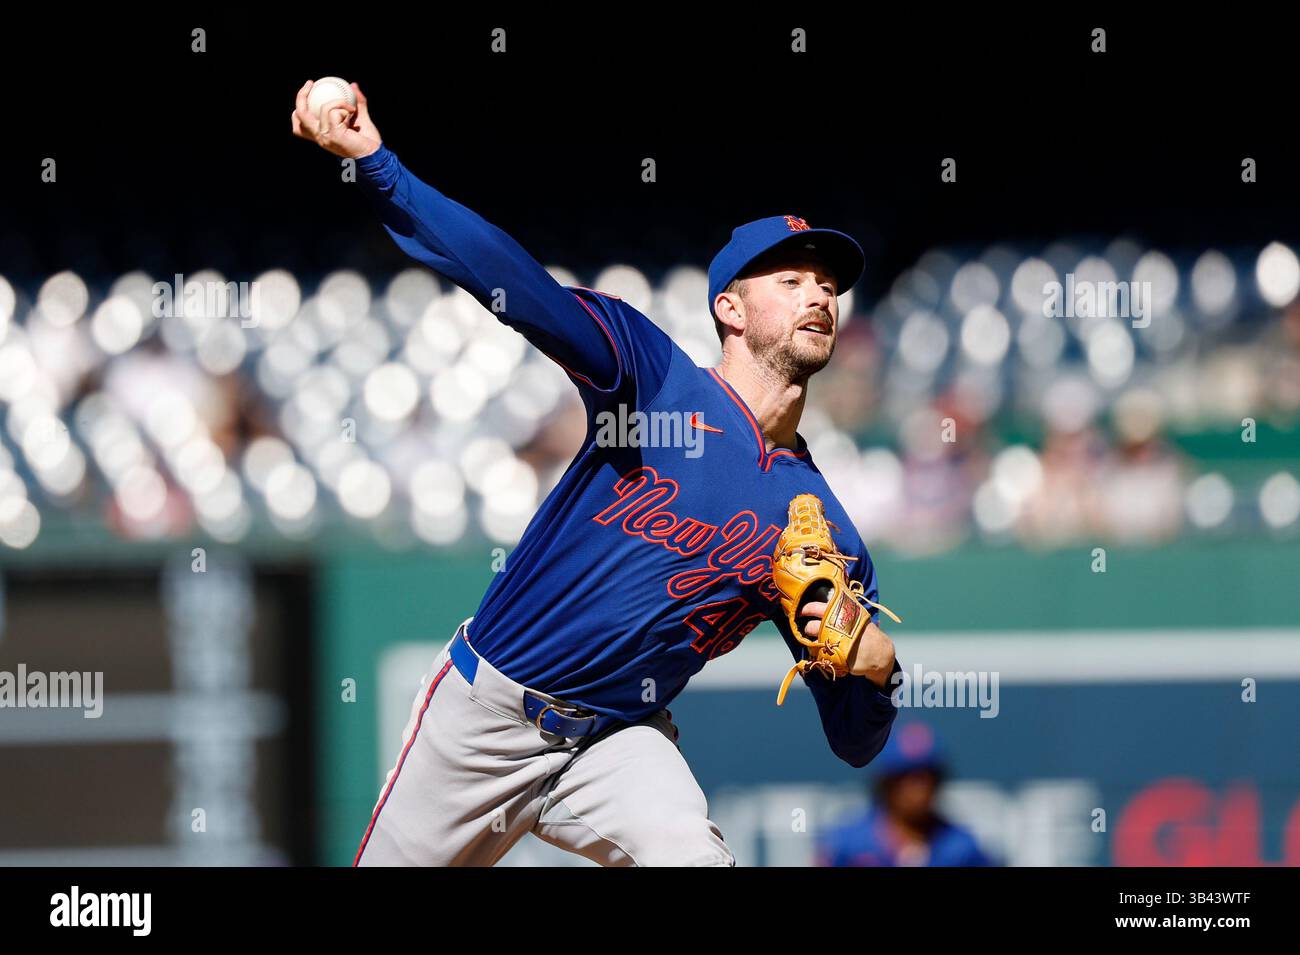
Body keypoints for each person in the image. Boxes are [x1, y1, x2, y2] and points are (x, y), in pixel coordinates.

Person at [293, 80, 902, 867]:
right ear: (731, 309)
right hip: (483, 718)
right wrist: (379, 165)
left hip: (618, 740)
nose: (818, 295)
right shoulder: (652, 383)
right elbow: (513, 285)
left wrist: (876, 673)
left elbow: (853, 741)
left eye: (827, 285)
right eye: (789, 280)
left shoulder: (819, 524)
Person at [816, 721, 997, 867]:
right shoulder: (847, 843)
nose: (919, 788)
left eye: (927, 776)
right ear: (887, 784)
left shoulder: (961, 848)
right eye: (907, 777)